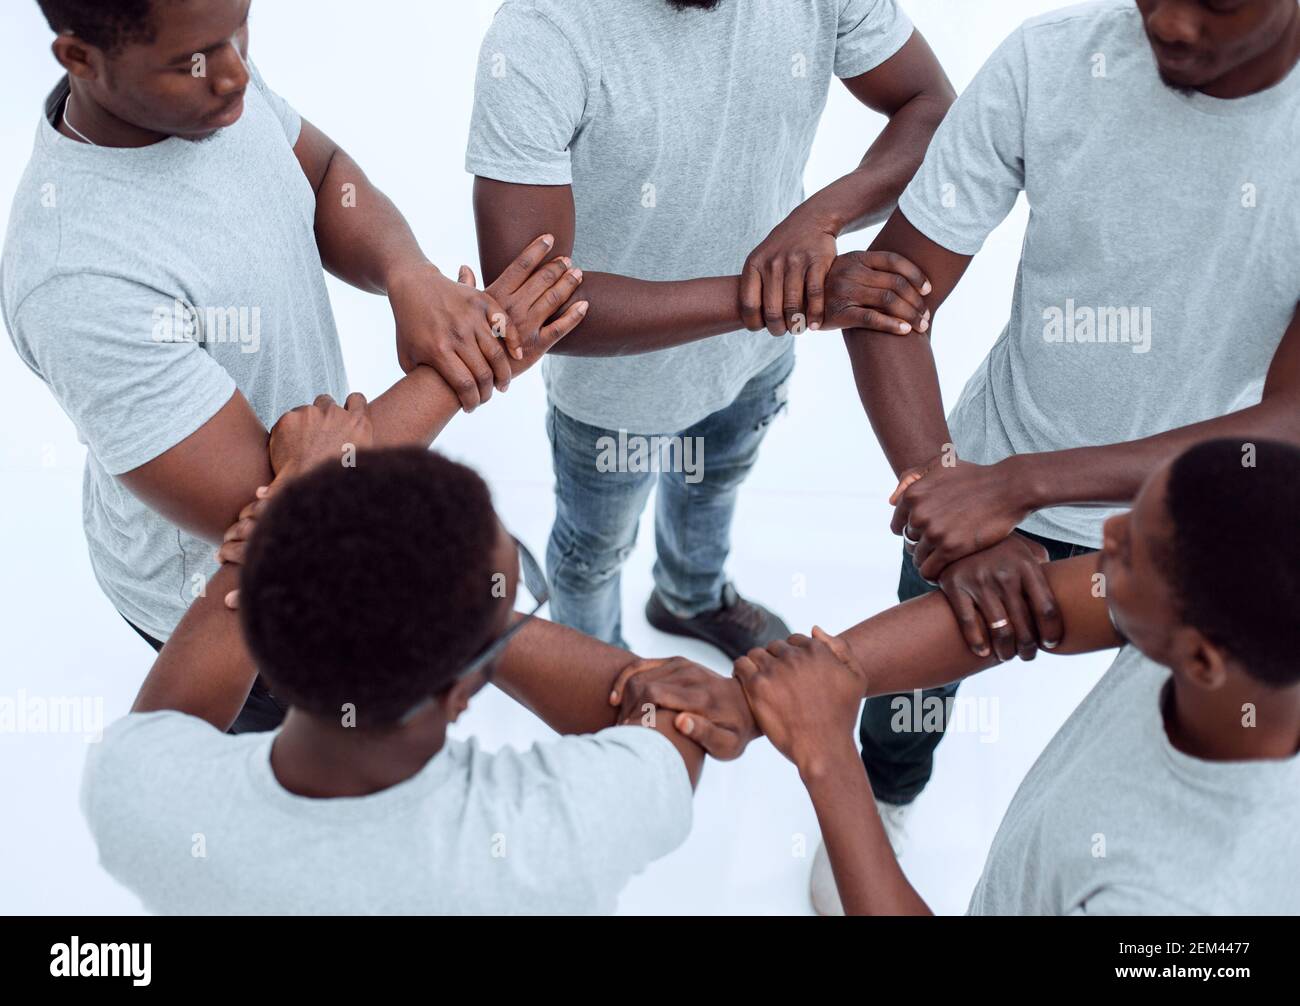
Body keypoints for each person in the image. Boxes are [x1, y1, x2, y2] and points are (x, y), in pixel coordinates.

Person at [2, 0, 582, 730]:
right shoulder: (76, 279)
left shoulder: (203, 83)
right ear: (80, 60)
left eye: (238, 31)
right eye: (198, 58)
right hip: (246, 611)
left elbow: (324, 173)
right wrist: (480, 356)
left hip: (334, 475)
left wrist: (409, 276)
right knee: (321, 752)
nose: (237, 74)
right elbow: (284, 510)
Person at [839, 0, 1300, 871]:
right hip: (972, 476)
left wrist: (1024, 484)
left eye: (1216, 2)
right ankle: (888, 796)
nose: (1167, 21)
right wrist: (953, 491)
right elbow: (884, 301)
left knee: (1154, 748)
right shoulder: (1049, 61)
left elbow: (1293, 421)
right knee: (909, 706)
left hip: (1202, 531)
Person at [613, 438, 1300, 914]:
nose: (1107, 532)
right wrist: (766, 697)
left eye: (1129, 554)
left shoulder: (1190, 902)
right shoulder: (1247, 630)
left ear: (1204, 661)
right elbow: (1039, 609)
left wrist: (827, 756)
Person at [464, 0, 955, 657]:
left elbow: (930, 104)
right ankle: (597, 675)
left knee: (712, 489)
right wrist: (769, 295)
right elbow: (531, 302)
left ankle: (688, 597)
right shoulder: (541, 31)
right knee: (594, 551)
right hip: (615, 391)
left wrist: (821, 219)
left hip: (754, 360)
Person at [81, 406, 708, 915]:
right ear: (463, 690)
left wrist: (291, 502)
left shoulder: (135, 798)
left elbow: (165, 724)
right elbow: (672, 715)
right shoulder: (557, 831)